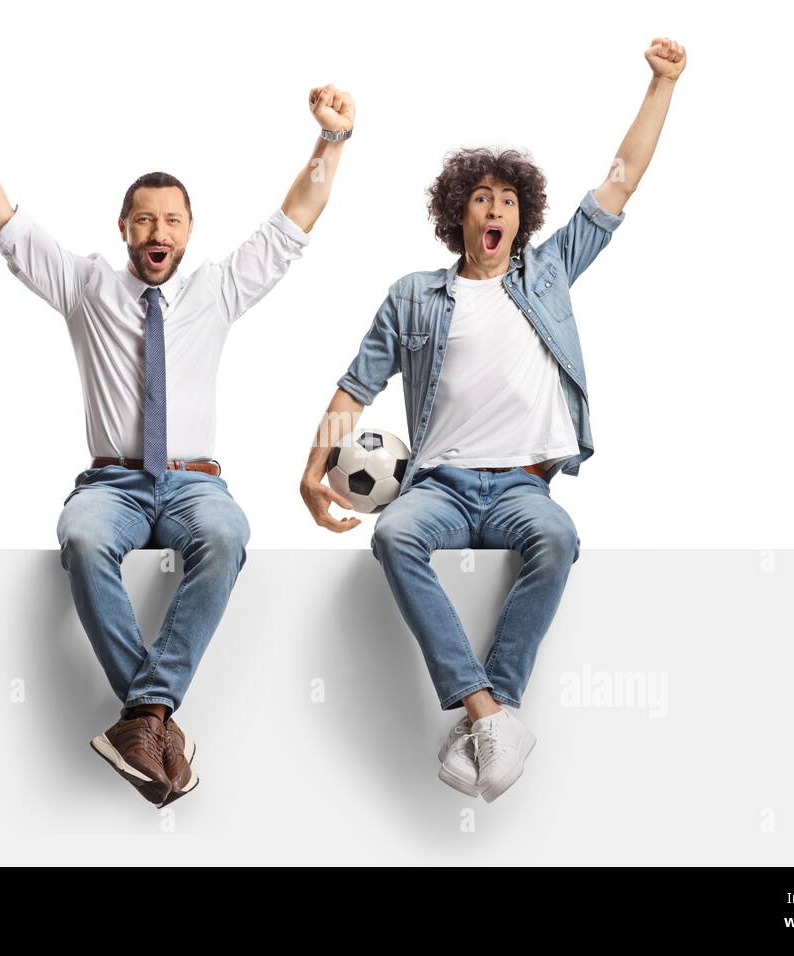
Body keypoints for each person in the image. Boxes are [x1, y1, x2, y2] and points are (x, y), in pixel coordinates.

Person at [0, 81, 355, 806]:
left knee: (227, 537)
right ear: (124, 228)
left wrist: (332, 140)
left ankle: (141, 719)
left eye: (172, 220)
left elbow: (297, 219)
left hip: (197, 484)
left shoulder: (218, 289)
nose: (158, 231)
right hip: (112, 487)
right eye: (144, 219)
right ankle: (154, 717)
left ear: (189, 231)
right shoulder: (84, 285)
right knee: (84, 540)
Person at [299, 38, 685, 802]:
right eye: (481, 198)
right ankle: (489, 713)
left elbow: (621, 178)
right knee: (394, 535)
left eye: (508, 200)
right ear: (458, 215)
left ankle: (493, 708)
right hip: (438, 487)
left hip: (521, 487)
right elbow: (355, 388)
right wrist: (310, 470)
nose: (496, 209)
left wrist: (662, 83)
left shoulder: (549, 272)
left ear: (523, 216)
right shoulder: (414, 295)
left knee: (558, 538)